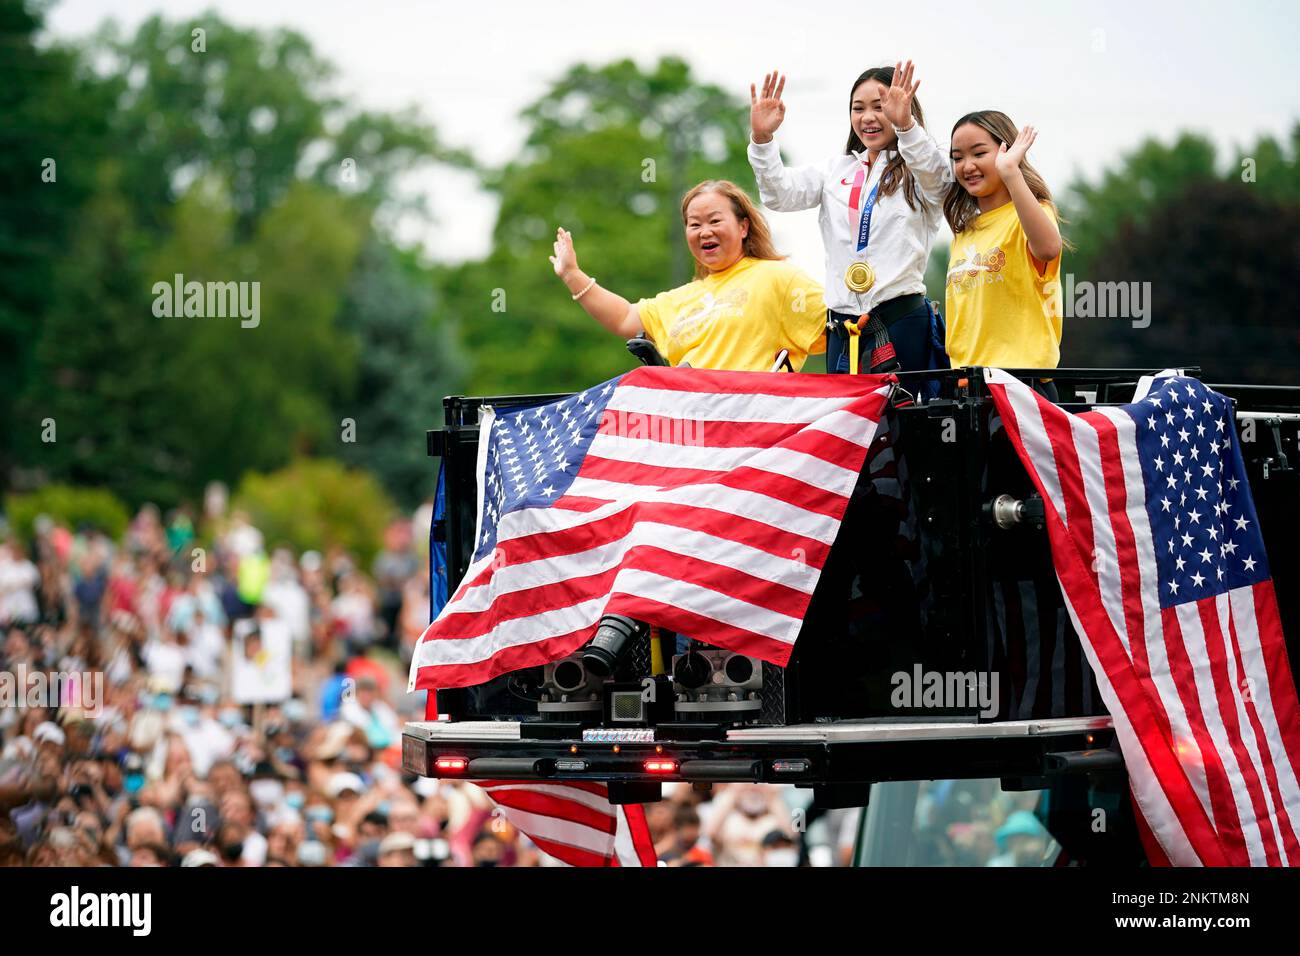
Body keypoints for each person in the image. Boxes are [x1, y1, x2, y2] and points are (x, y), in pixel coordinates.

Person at [747, 62, 951, 378]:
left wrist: (907, 126)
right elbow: (779, 195)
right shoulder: (835, 171)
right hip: (842, 327)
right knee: (847, 424)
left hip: (900, 320)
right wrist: (762, 140)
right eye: (858, 108)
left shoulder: (919, 170)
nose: (867, 117)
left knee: (902, 424)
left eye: (880, 106)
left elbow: (938, 177)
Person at [550, 180, 826, 372]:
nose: (705, 231)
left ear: (743, 227)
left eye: (715, 221)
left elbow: (844, 327)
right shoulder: (682, 298)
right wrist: (572, 274)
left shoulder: (777, 278)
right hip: (692, 437)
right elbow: (624, 317)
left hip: (754, 429)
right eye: (695, 224)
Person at [943, 112, 1066, 391]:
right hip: (969, 384)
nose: (967, 165)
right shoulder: (964, 232)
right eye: (958, 157)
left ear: (1005, 152)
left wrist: (1011, 173)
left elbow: (1048, 248)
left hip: (1021, 383)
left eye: (979, 153)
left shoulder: (1033, 212)